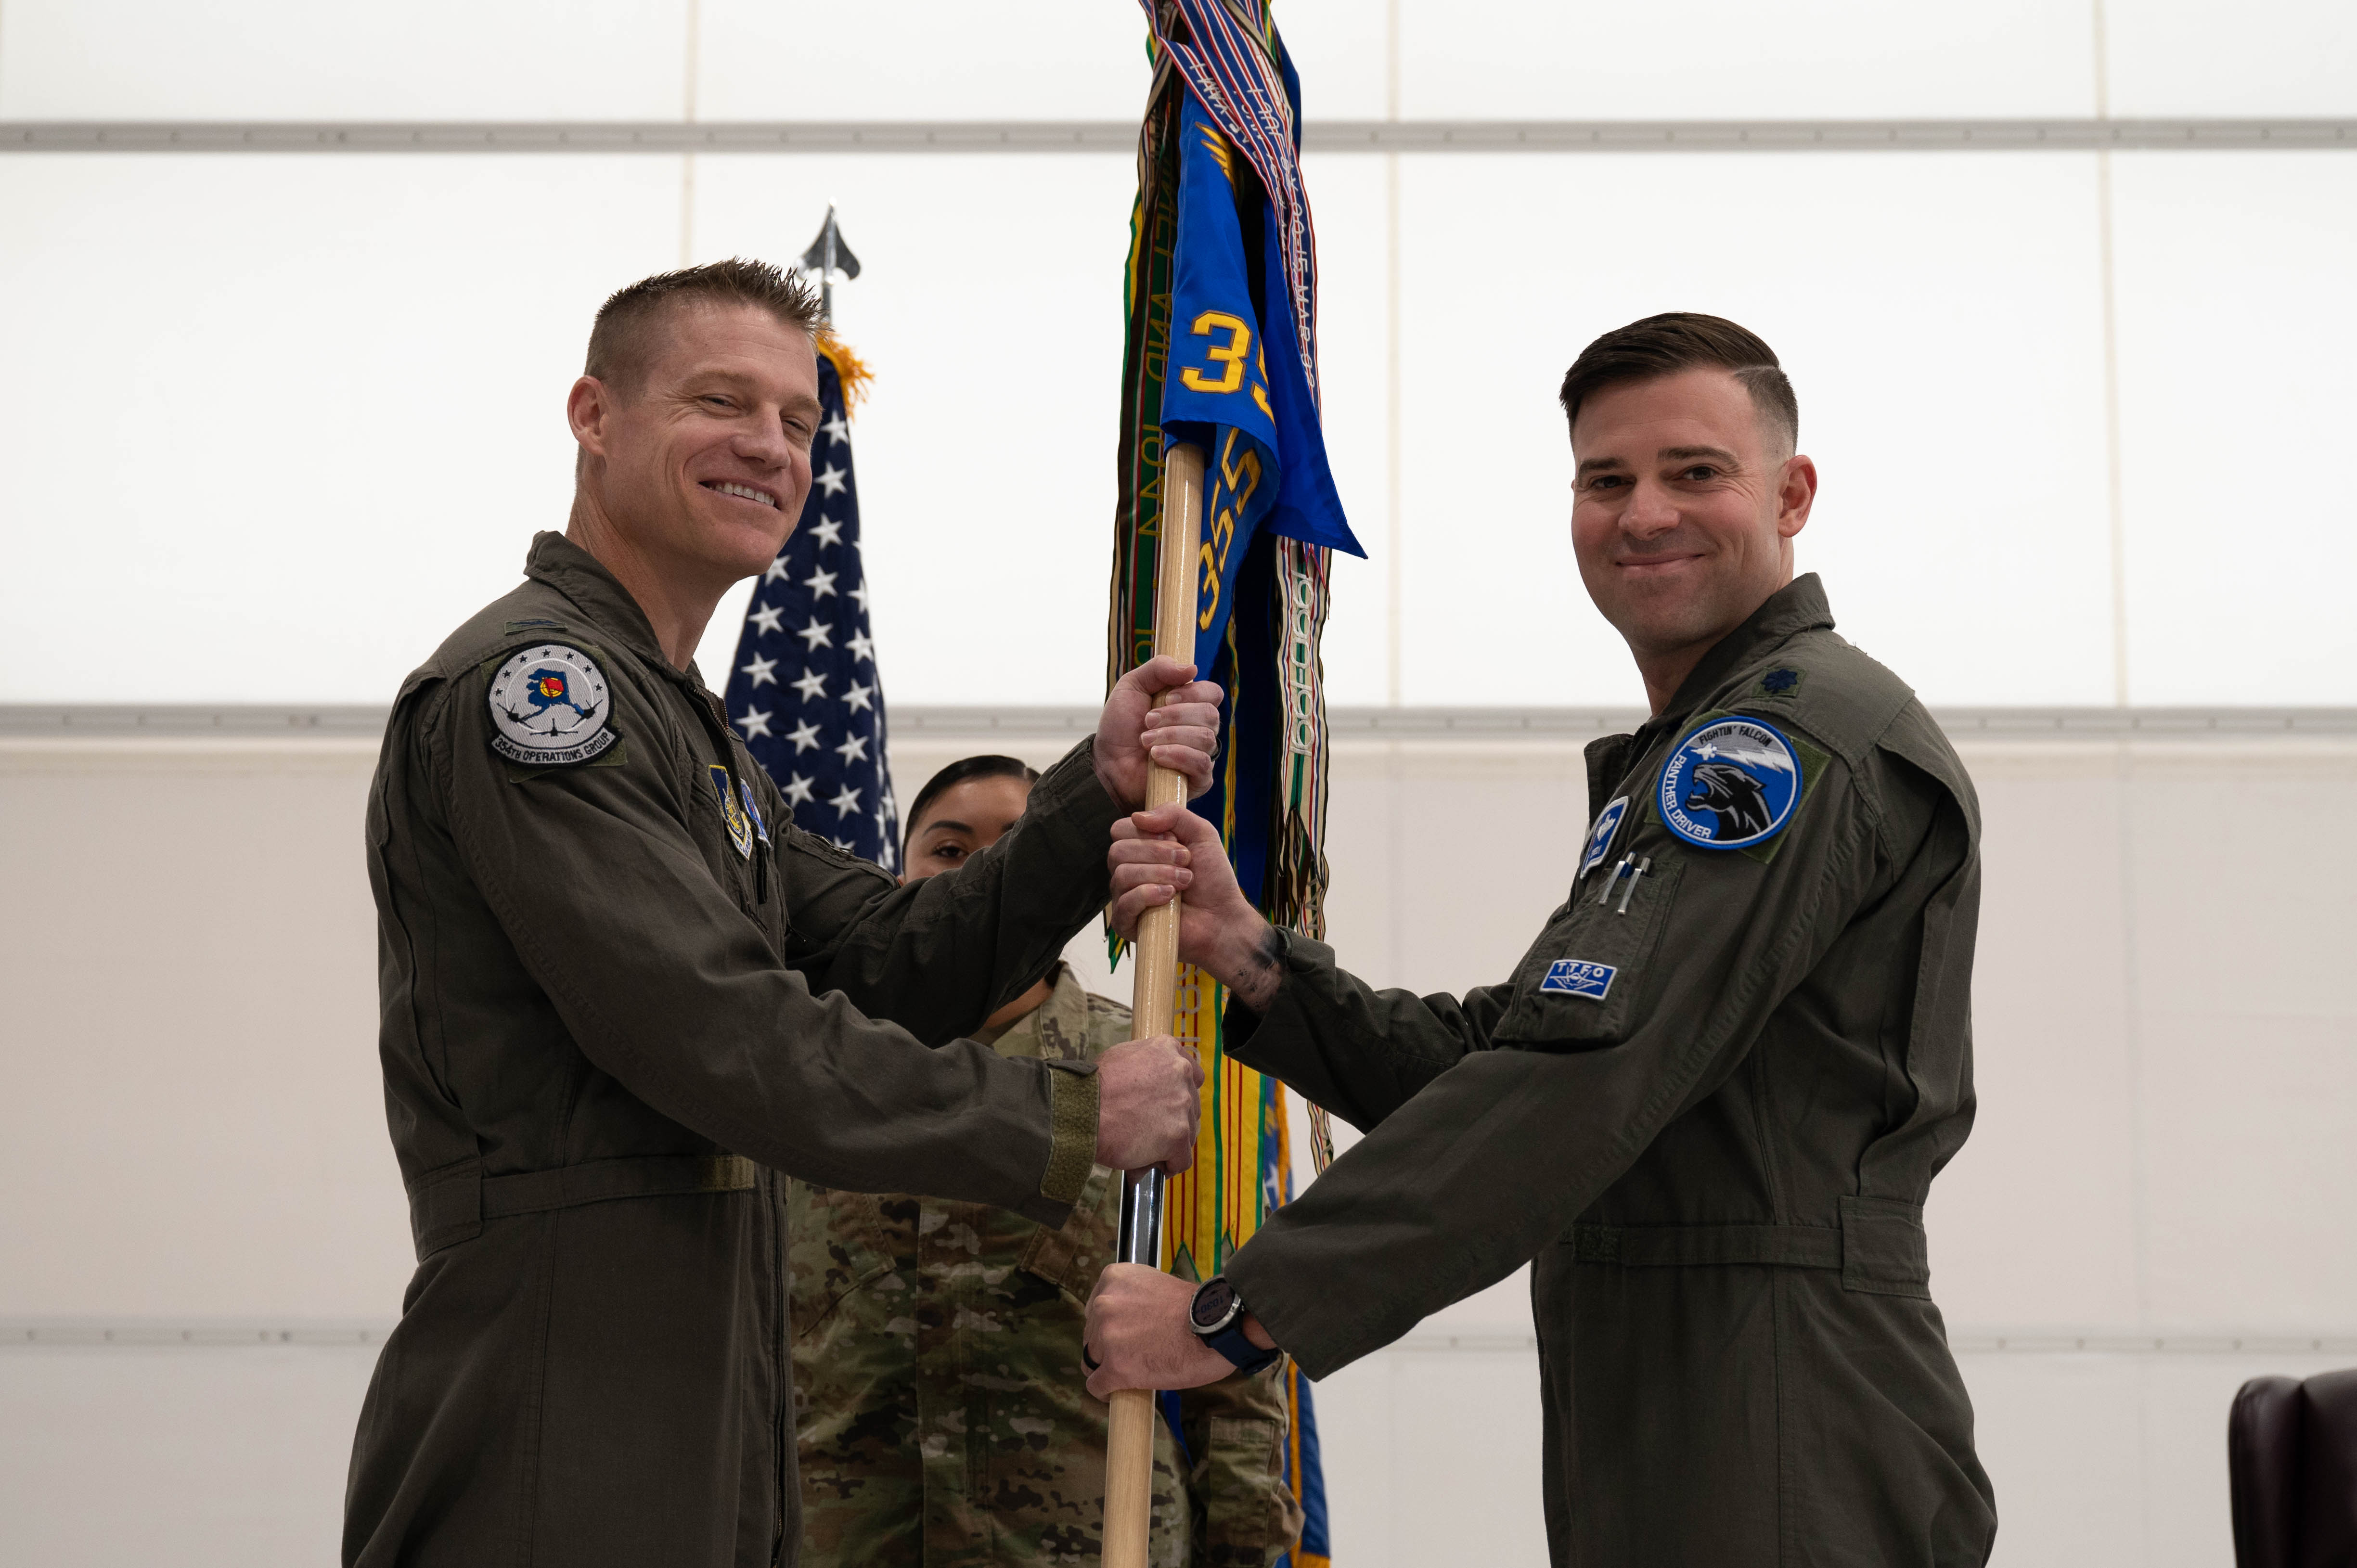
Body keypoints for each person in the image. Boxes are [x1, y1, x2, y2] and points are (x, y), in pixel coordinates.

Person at [344, 259, 1221, 1568]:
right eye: (720, 401)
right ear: (595, 416)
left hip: (713, 1378)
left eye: (800, 422)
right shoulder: (542, 694)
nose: (770, 446)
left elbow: (888, 958)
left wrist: (1083, 800)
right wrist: (1072, 1117)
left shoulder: (685, 727)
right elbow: (713, 1030)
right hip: (568, 1381)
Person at [1087, 313, 1999, 1565]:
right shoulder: (1696, 746)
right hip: (1674, 1382)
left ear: (1792, 495)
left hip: (1776, 1399)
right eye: (1604, 479)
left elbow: (1578, 1081)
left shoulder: (1784, 742)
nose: (1644, 514)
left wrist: (1240, 1313)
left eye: (1695, 472)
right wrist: (1255, 959)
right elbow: (1517, 1053)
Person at [791, 755, 1303, 1568]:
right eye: (950, 851)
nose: (986, 867)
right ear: (899, 874)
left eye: (1014, 843)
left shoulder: (1154, 1074)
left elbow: (1232, 1356)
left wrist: (1241, 1551)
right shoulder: (824, 1074)